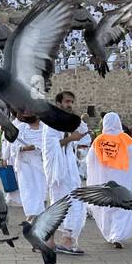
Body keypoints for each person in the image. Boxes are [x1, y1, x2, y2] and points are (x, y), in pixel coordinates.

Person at [87, 113, 132, 248]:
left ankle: (110, 234)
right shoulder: (127, 140)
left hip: (104, 181)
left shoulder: (99, 141)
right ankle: (117, 235)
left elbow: (90, 161)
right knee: (122, 208)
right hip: (123, 180)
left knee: (106, 209)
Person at [42, 91, 88, 254]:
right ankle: (64, 241)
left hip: (69, 169)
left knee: (68, 204)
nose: (70, 105)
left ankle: (52, 242)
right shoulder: (51, 122)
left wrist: (75, 122)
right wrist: (71, 138)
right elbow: (50, 146)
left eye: (72, 102)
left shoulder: (68, 121)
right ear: (58, 103)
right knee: (63, 205)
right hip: (58, 172)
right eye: (67, 101)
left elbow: (83, 131)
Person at [8, 116, 47, 216]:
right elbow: (13, 146)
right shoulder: (20, 128)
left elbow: (50, 144)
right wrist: (23, 148)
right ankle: (30, 214)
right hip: (25, 166)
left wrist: (38, 148)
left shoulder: (46, 129)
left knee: (40, 189)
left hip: (40, 164)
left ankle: (38, 214)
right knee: (27, 190)